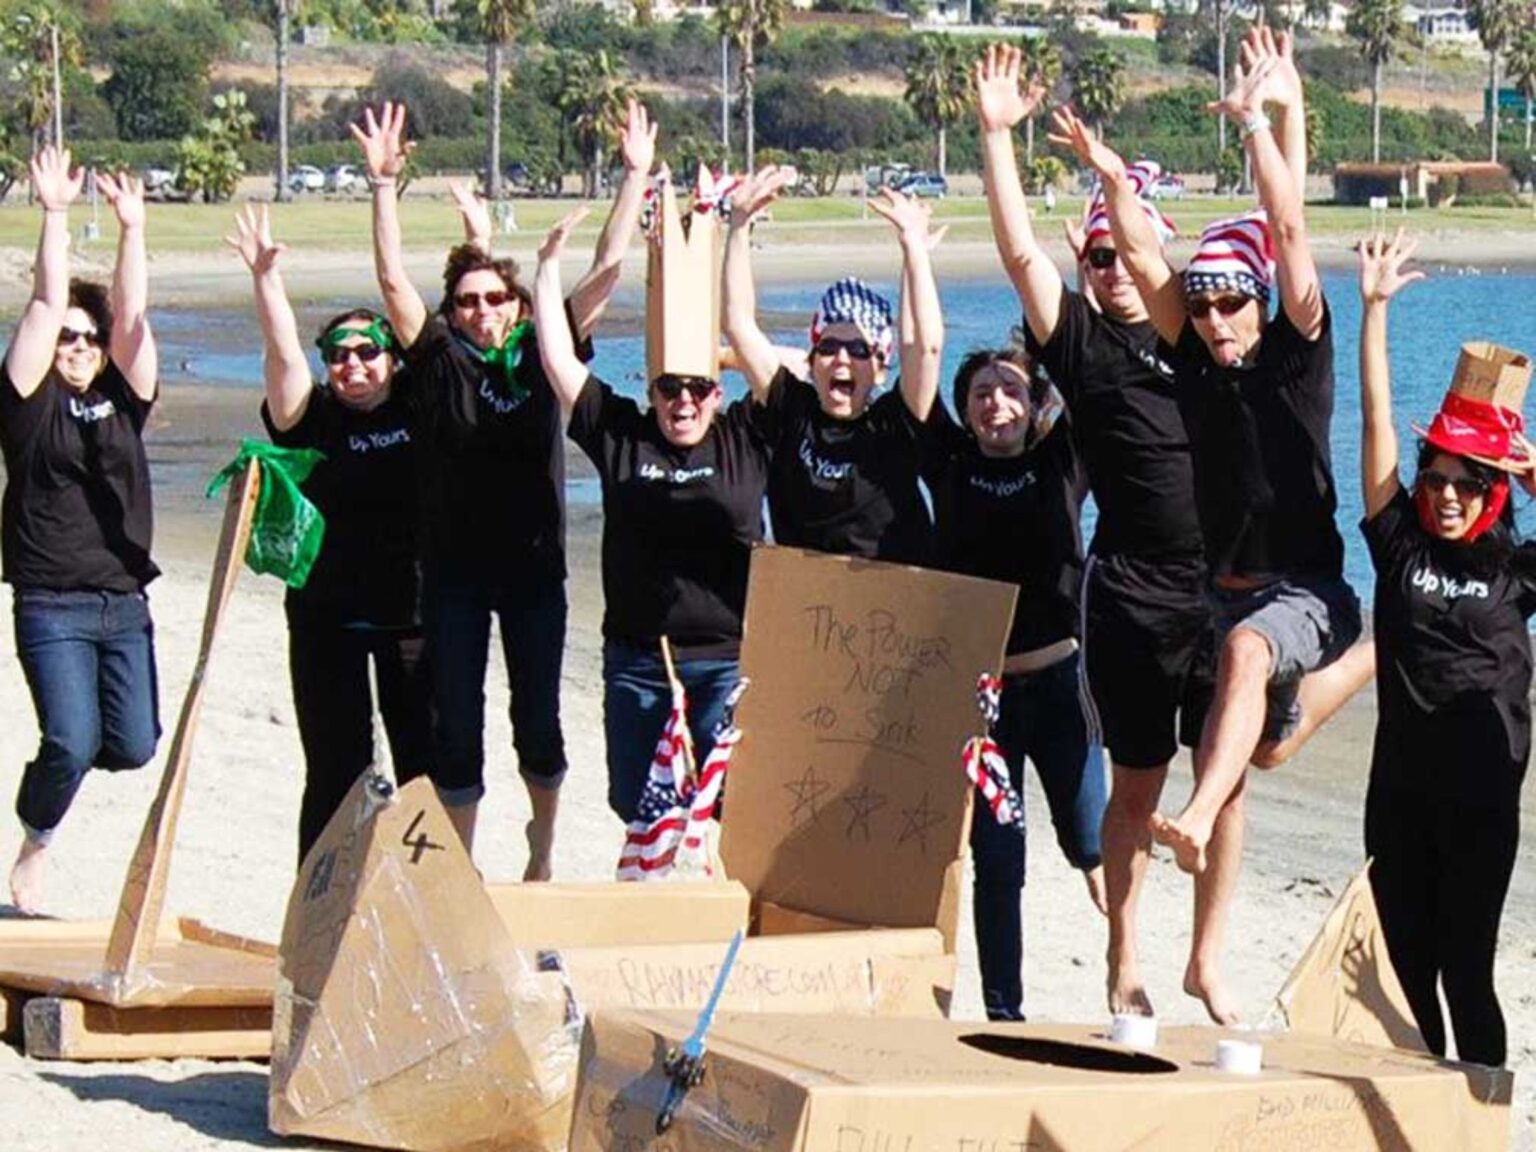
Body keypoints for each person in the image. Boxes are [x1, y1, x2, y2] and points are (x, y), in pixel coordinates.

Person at [1051, 28, 1373, 1023]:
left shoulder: (1298, 351)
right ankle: (1385, 646)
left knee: (1242, 668)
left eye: (1234, 301)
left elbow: (1287, 227)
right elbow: (1146, 256)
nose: (1219, 318)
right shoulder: (1193, 354)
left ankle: (1196, 836)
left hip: (1302, 591)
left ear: (1260, 301)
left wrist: (1262, 128)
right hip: (1218, 594)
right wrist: (1113, 181)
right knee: (1259, 752)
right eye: (1205, 305)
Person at [354, 100, 654, 876]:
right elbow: (390, 279)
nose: (482, 311)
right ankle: (462, 866)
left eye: (496, 299)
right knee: (457, 726)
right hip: (452, 576)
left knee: (538, 723)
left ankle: (541, 847)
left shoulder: (541, 354)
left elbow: (606, 274)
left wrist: (633, 177)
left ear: (520, 308)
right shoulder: (438, 359)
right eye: (468, 301)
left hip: (533, 573)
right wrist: (383, 186)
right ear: (452, 314)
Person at [975, 42, 1204, 1016]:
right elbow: (1020, 254)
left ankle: (1202, 953)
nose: (1112, 270)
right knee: (1129, 792)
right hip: (1126, 594)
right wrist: (997, 137)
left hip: (1215, 588)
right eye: (1097, 255)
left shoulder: (1202, 334)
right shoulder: (1079, 342)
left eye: (1126, 251)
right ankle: (1123, 958)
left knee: (1231, 772)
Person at [532, 190, 771, 820]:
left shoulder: (748, 433)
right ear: (652, 391)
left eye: (697, 388)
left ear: (718, 393)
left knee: (730, 812)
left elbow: (787, 364)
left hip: (726, 662)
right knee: (637, 809)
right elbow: (555, 359)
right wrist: (546, 268)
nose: (682, 402)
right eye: (669, 388)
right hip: (639, 661)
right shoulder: (623, 434)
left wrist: (737, 233)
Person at [1357, 230, 1533, 1068]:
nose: (1449, 496)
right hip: (1398, 791)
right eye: (1436, 479)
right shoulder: (1399, 544)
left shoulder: (1517, 570)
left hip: (1481, 804)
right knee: (1407, 975)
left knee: (1468, 973)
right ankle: (1427, 1111)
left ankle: (1483, 1114)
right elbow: (1376, 420)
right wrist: (1375, 312)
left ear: (1495, 491)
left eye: (1468, 483)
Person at [227, 204, 434, 862]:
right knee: (335, 771)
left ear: (392, 361)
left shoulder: (421, 407)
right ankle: (320, 893)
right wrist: (266, 280)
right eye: (339, 356)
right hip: (326, 623)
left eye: (368, 352)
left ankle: (424, 887)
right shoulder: (311, 418)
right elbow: (283, 356)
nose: (353, 365)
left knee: (423, 769)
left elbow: (417, 317)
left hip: (413, 621)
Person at [920, 344, 1106, 1020]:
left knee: (1093, 843)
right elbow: (918, 359)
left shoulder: (1061, 461)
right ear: (964, 409)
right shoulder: (949, 463)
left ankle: (1125, 968)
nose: (996, 403)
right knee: (998, 861)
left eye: (1011, 390)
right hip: (984, 701)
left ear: (1035, 405)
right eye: (981, 393)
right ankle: (1005, 1013)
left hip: (1062, 687)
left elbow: (1088, 369)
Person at [1, 151, 161, 912]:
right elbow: (43, 302)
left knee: (131, 746)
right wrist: (57, 214)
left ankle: (56, 785)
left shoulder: (124, 399)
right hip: (50, 603)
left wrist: (132, 229)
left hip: (123, 603)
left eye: (88, 339)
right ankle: (36, 842)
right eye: (68, 337)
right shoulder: (28, 405)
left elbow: (131, 319)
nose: (78, 346)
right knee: (69, 739)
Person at [723, 168, 936, 563]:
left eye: (858, 350)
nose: (842, 358)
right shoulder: (791, 410)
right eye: (829, 347)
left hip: (886, 595)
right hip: (808, 594)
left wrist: (914, 250)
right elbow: (737, 324)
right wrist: (738, 226)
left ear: (880, 368)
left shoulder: (894, 426)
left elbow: (925, 348)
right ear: (812, 360)